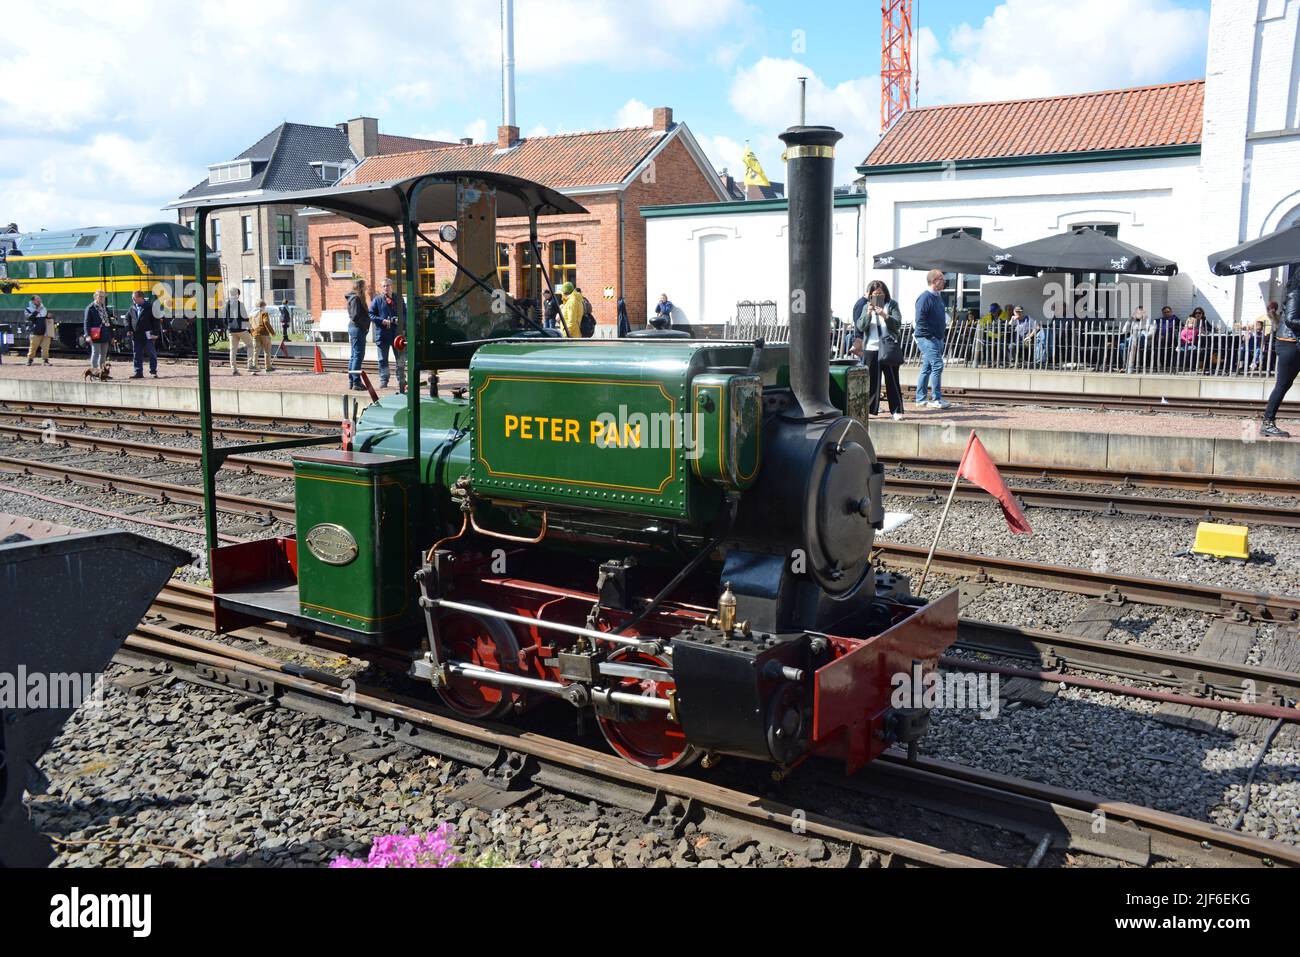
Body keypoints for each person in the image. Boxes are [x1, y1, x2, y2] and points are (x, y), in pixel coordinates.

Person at [1261, 267, 1299, 438]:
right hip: (1290, 344)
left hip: (1294, 343)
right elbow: (1291, 320)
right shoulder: (1295, 293)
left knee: (1284, 385)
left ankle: (1268, 422)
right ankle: (1267, 422)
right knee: (1283, 385)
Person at [859, 280, 904, 419]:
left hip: (888, 347)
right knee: (871, 381)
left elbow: (897, 324)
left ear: (885, 293)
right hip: (871, 348)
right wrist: (868, 314)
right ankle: (871, 410)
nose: (878, 296)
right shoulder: (866, 307)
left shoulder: (891, 304)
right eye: (874, 294)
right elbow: (860, 326)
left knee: (892, 380)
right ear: (870, 295)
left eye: (880, 293)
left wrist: (884, 315)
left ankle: (896, 410)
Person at [913, 269, 950, 409]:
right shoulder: (925, 298)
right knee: (937, 366)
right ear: (935, 281)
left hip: (936, 338)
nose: (944, 281)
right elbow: (920, 320)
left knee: (927, 367)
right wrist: (931, 336)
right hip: (927, 338)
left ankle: (920, 398)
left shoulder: (937, 297)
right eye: (942, 279)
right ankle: (936, 399)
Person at [370, 278, 407, 390]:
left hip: (396, 334)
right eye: (384, 286)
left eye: (387, 285)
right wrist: (382, 321)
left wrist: (399, 319)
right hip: (382, 334)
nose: (386, 288)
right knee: (382, 359)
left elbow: (405, 313)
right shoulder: (377, 300)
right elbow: (370, 314)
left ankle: (401, 379)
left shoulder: (399, 299)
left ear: (392, 286)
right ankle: (384, 379)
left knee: (400, 358)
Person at [126, 291, 161, 379]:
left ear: (141, 298)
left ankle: (153, 371)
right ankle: (138, 372)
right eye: (133, 298)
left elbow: (156, 321)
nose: (133, 300)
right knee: (137, 354)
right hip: (136, 335)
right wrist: (128, 329)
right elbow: (127, 319)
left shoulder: (150, 307)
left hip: (147, 334)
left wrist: (155, 332)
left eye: (134, 298)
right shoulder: (132, 308)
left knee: (151, 353)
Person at [222, 289, 254, 375]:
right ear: (238, 295)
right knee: (250, 345)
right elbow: (245, 318)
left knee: (232, 350)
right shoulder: (240, 304)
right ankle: (250, 366)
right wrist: (249, 329)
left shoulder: (226, 304)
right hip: (241, 329)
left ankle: (234, 370)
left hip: (231, 330)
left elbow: (224, 318)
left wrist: (228, 327)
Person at [346, 278, 370, 390]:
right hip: (357, 329)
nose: (366, 288)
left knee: (354, 355)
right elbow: (355, 316)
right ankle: (356, 381)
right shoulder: (356, 298)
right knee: (357, 356)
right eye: (364, 286)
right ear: (360, 287)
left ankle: (352, 380)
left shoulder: (354, 298)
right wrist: (364, 326)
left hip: (355, 328)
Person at [83, 290, 113, 377]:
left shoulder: (105, 308)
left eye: (103, 297)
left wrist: (111, 336)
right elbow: (86, 322)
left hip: (105, 333)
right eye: (100, 296)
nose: (102, 298)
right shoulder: (90, 308)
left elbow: (109, 322)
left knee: (103, 355)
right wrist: (87, 335)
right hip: (95, 334)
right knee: (96, 353)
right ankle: (94, 373)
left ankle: (102, 373)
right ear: (95, 297)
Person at [24, 295, 53, 366]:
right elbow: (30, 318)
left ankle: (45, 361)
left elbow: (45, 317)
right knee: (33, 347)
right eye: (37, 299)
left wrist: (48, 316)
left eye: (39, 299)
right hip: (35, 331)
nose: (39, 300)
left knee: (46, 348)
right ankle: (30, 360)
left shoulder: (44, 308)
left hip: (45, 331)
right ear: (33, 301)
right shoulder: (28, 309)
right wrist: (37, 311)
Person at [249, 299, 276, 374]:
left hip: (255, 334)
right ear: (263, 306)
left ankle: (254, 367)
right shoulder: (264, 313)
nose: (265, 307)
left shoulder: (251, 314)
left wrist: (252, 333)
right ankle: (268, 367)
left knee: (255, 351)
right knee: (267, 351)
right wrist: (272, 332)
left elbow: (249, 325)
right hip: (264, 334)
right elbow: (266, 322)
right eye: (264, 306)